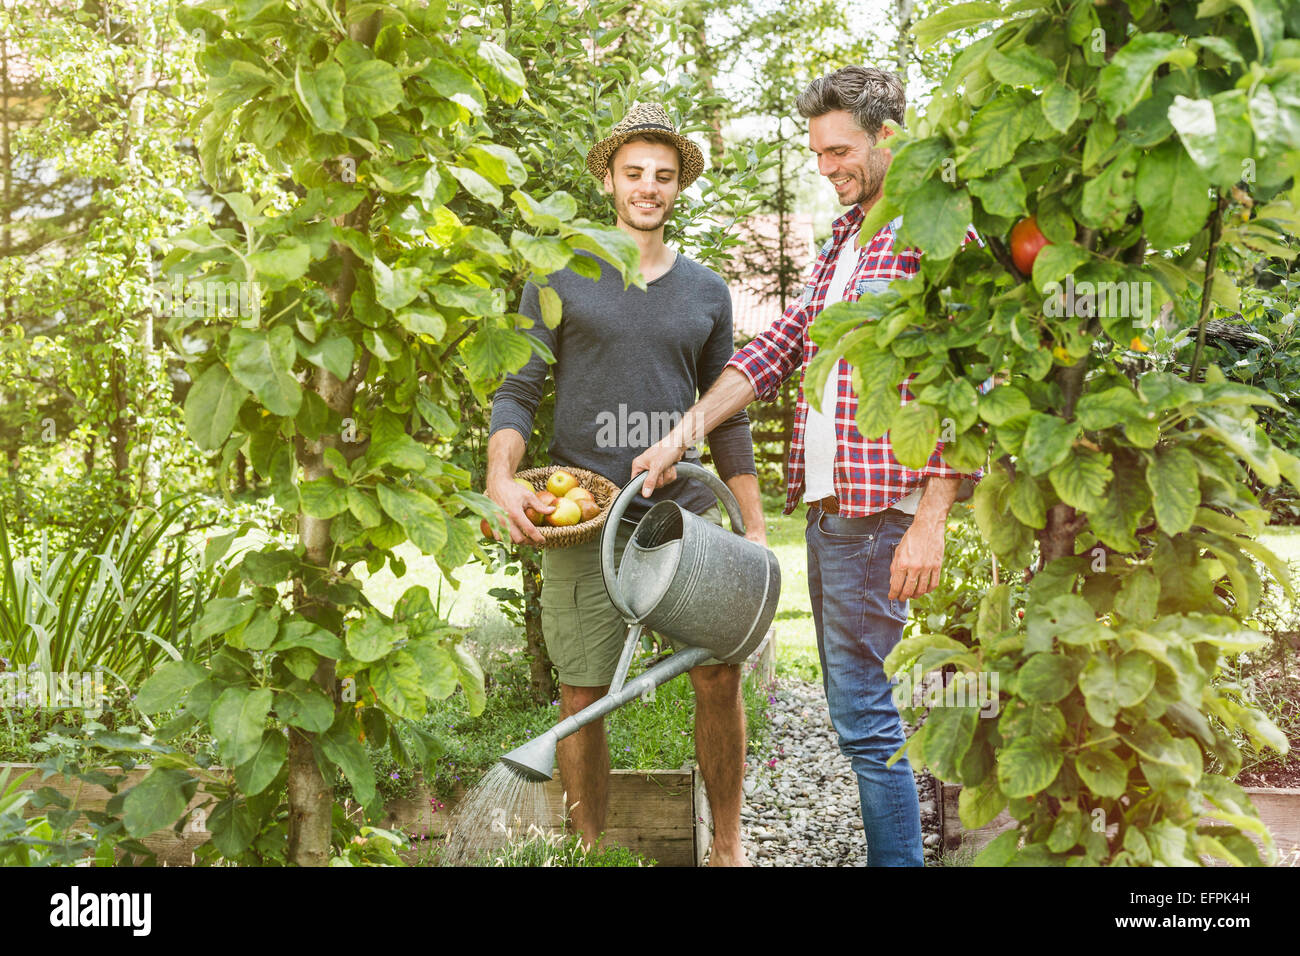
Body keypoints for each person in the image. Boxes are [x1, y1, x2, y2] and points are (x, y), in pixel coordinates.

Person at [632, 67, 980, 867]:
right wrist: (685, 429)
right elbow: (780, 346)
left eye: (840, 151)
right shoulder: (848, 238)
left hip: (878, 514)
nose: (827, 168)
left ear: (889, 134)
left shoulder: (933, 229)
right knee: (861, 711)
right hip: (832, 515)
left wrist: (931, 519)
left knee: (863, 715)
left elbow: (974, 378)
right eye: (818, 155)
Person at [485, 103, 765, 866]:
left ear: (678, 189)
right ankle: (593, 853)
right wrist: (501, 475)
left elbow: (726, 415)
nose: (649, 187)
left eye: (664, 176)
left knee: (715, 673)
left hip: (682, 515)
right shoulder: (557, 276)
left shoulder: (707, 292)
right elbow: (518, 390)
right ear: (608, 180)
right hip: (584, 512)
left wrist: (758, 530)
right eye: (635, 173)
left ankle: (728, 849)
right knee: (582, 695)